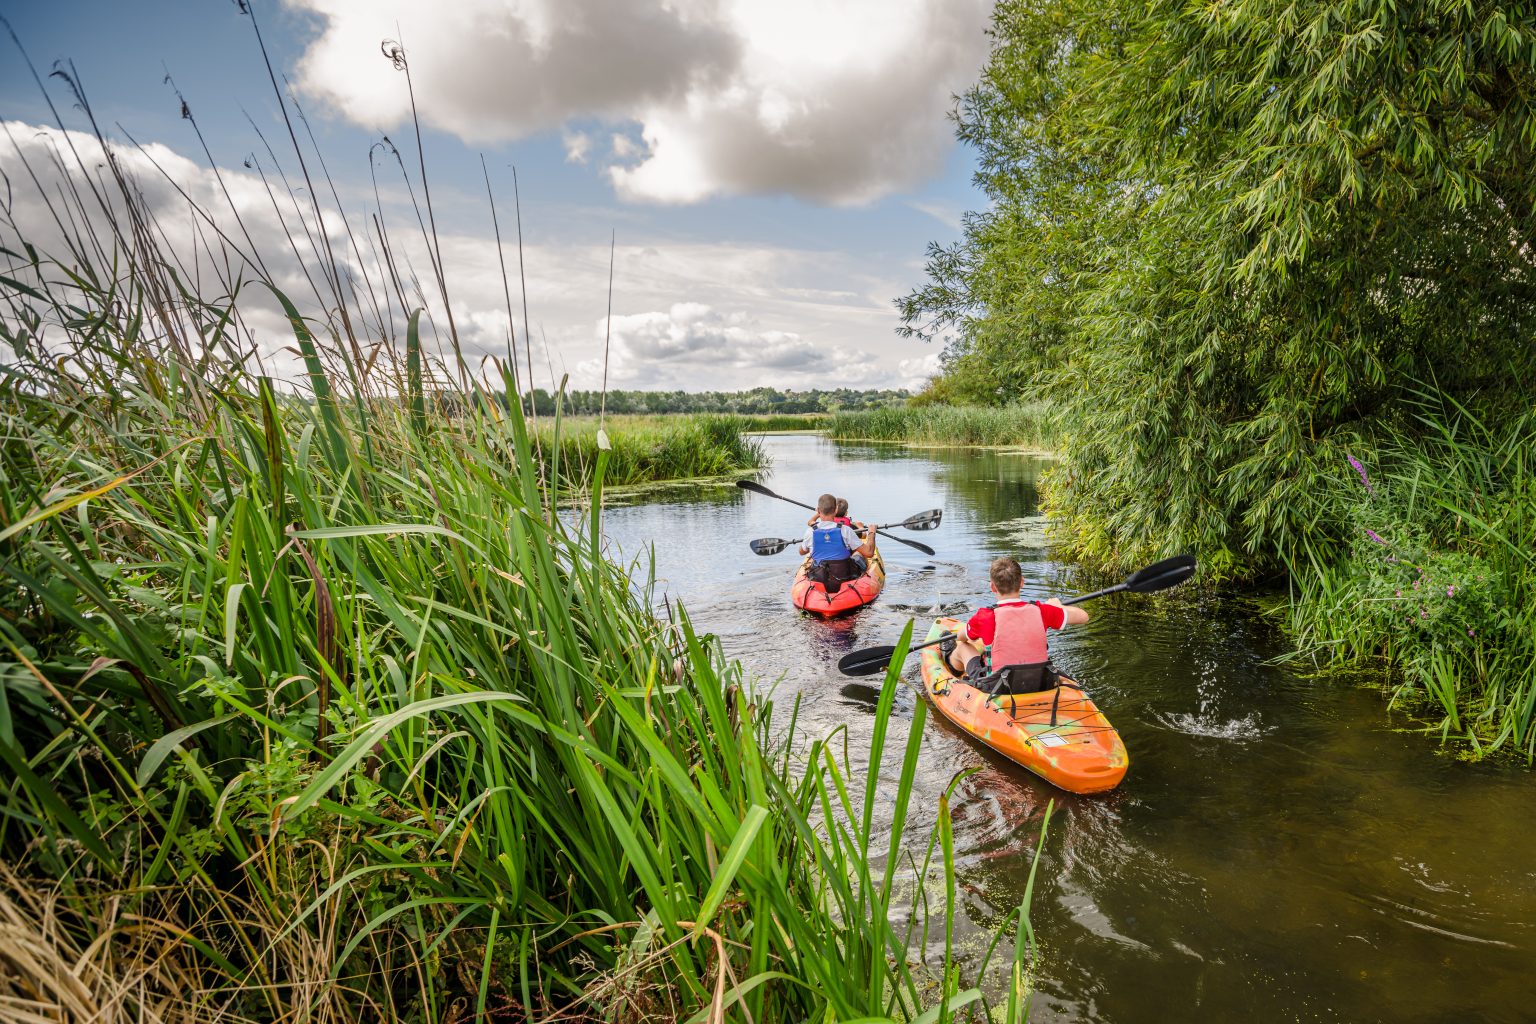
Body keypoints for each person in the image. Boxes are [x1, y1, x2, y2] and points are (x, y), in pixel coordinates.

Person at [943, 556, 1089, 693]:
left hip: (998, 687)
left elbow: (962, 637)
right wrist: (1058, 608)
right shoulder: (1042, 610)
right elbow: (1083, 616)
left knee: (963, 647)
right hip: (1039, 682)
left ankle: (952, 668)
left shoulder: (985, 616)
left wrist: (970, 634)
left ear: (992, 587)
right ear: (1022, 582)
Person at [799, 493, 876, 590]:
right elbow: (869, 553)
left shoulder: (810, 531)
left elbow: (801, 552)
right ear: (835, 510)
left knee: (812, 557)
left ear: (818, 510)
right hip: (844, 575)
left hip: (819, 577)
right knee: (858, 554)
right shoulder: (846, 530)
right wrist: (872, 533)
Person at [807, 497, 866, 570]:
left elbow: (810, 522)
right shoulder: (849, 527)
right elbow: (864, 535)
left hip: (823, 561)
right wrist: (860, 527)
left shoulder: (821, 526)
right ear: (846, 513)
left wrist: (819, 513)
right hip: (844, 560)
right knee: (858, 553)